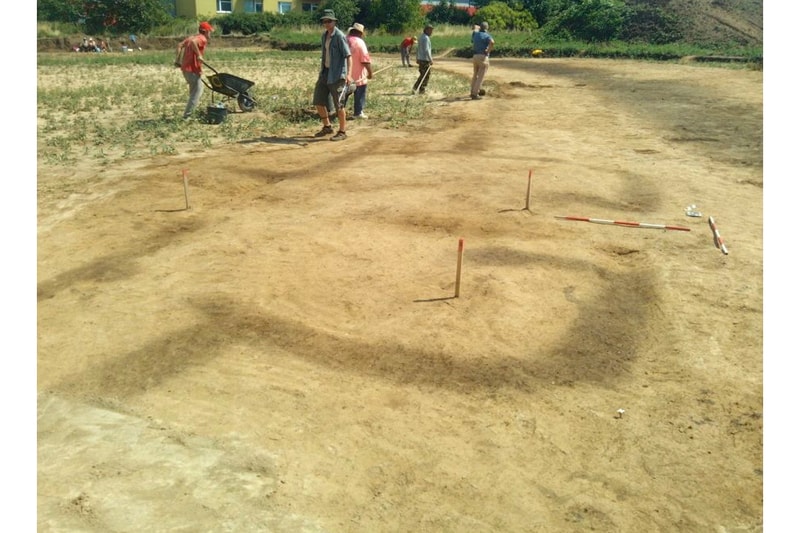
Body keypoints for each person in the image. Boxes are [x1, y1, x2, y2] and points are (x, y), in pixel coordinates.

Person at [312, 10, 353, 141]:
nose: (326, 23)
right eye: (324, 21)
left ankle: (342, 131)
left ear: (334, 22)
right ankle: (327, 126)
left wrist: (349, 74)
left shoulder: (340, 36)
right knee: (318, 100)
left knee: (339, 104)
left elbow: (348, 56)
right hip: (325, 73)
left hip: (337, 75)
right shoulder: (324, 36)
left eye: (329, 21)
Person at [175, 21, 214, 120]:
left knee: (194, 91)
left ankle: (190, 112)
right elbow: (193, 43)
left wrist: (178, 60)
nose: (210, 34)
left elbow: (179, 45)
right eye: (209, 31)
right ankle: (188, 116)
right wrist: (199, 55)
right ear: (205, 31)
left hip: (185, 69)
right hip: (192, 69)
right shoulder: (202, 38)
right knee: (198, 90)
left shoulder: (191, 37)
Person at [344, 23, 373, 119]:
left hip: (344, 74)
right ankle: (358, 112)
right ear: (360, 33)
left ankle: (339, 111)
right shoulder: (360, 42)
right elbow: (365, 60)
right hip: (358, 76)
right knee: (360, 94)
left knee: (344, 94)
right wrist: (370, 72)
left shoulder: (344, 40)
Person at [470, 21, 495, 100]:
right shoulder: (486, 36)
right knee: (481, 76)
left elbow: (475, 29)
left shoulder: (475, 35)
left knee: (475, 75)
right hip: (482, 57)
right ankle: (475, 93)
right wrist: (488, 50)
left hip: (475, 56)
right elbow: (492, 42)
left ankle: (473, 90)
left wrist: (477, 28)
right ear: (487, 28)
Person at [413, 25, 434, 95]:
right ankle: (421, 89)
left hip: (421, 59)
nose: (431, 32)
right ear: (427, 30)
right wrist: (430, 59)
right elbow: (426, 50)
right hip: (425, 59)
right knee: (426, 75)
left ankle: (415, 87)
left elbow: (418, 49)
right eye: (430, 30)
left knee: (422, 74)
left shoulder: (421, 37)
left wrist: (417, 58)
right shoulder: (426, 38)